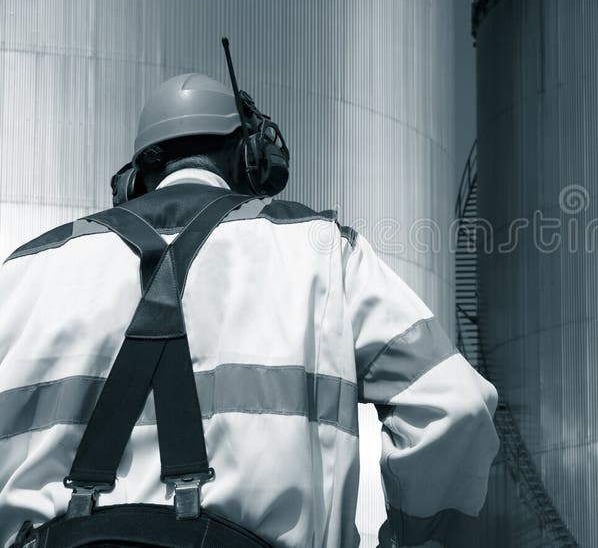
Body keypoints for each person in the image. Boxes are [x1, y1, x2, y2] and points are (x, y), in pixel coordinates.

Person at [0, 72, 499, 547]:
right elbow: (455, 406)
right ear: (250, 158)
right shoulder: (323, 252)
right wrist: (412, 536)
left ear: (137, 175)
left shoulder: (22, 273)